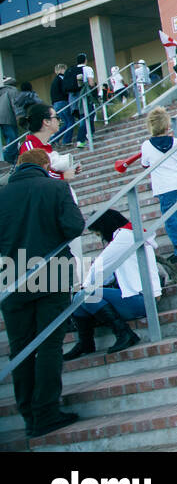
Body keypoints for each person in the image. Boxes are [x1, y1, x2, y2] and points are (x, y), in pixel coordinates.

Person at [0, 148, 85, 438]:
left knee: (20, 348)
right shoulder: (57, 187)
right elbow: (75, 227)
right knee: (49, 344)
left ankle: (28, 416)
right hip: (52, 271)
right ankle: (46, 412)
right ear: (46, 165)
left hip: (10, 277)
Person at [63, 208, 160, 359]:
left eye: (98, 233)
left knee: (86, 295)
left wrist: (85, 286)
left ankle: (125, 333)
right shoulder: (129, 234)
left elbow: (99, 265)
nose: (100, 237)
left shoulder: (125, 236)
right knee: (79, 298)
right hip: (137, 297)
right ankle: (85, 343)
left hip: (143, 299)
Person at [139, 106, 177, 263]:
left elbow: (145, 165)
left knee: (171, 220)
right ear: (167, 125)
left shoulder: (146, 146)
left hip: (164, 187)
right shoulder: (176, 141)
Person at [16, 102, 80, 183]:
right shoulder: (29, 147)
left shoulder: (45, 146)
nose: (59, 120)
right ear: (46, 121)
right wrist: (62, 176)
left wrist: (70, 170)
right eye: (57, 117)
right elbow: (37, 175)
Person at [0, 76, 20, 161]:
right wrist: (18, 115)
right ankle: (7, 157)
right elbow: (14, 104)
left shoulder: (2, 91)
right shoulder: (12, 90)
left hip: (2, 119)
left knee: (9, 138)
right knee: (13, 138)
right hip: (9, 118)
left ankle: (12, 157)